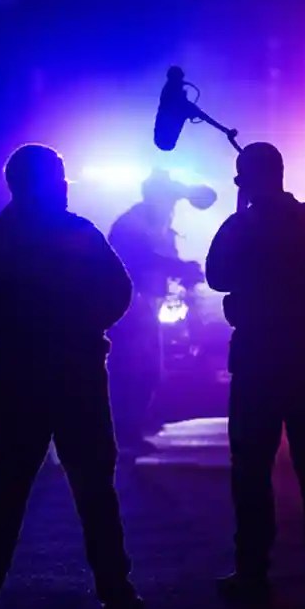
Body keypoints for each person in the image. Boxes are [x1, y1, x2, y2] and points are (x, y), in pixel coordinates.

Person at [0, 143, 142, 609]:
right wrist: (83, 325)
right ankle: (115, 590)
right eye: (60, 177)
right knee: (94, 487)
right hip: (77, 372)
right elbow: (119, 291)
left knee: (4, 489)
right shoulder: (78, 233)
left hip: (18, 374)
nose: (64, 186)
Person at [205, 142, 305, 604]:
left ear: (245, 180)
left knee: (251, 470)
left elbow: (216, 277)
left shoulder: (240, 226)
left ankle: (252, 570)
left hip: (258, 360)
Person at [107, 170, 211, 453]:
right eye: (168, 200)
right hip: (127, 307)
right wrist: (181, 269)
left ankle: (129, 430)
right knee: (134, 370)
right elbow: (142, 258)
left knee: (146, 370)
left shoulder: (153, 223)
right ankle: (124, 434)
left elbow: (163, 255)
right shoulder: (133, 225)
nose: (172, 207)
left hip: (143, 305)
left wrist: (182, 271)